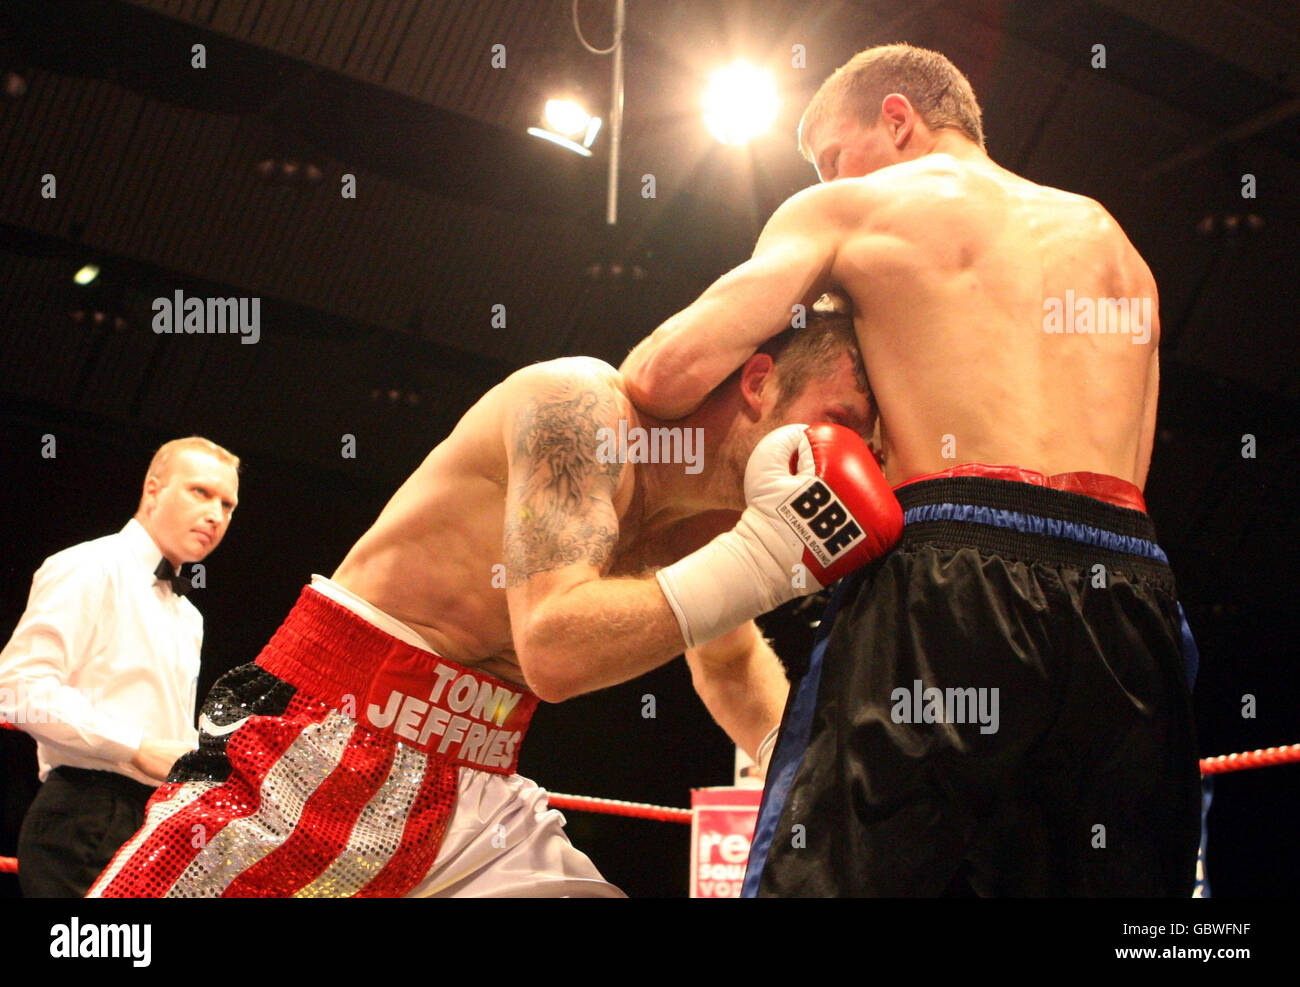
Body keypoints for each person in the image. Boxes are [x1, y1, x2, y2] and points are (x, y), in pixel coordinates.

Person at [621, 43, 1201, 896]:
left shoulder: (852, 209)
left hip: (953, 568)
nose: (826, 176)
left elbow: (661, 376)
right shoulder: (1114, 244)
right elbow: (1136, 463)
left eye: (830, 155)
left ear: (897, 119)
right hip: (1130, 586)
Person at [89, 314, 902, 898]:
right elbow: (554, 647)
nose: (847, 460)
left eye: (869, 447)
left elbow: (727, 665)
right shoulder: (580, 409)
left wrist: (811, 789)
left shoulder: (716, 528)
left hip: (478, 792)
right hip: (321, 744)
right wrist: (765, 559)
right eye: (840, 423)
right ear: (759, 383)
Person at [0, 436, 240, 896]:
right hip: (85, 815)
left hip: (149, 823)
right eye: (200, 492)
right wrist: (134, 746)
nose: (215, 514)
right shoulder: (91, 566)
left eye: (228, 504)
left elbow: (166, 733)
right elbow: (18, 687)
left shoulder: (188, 616)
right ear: (153, 490)